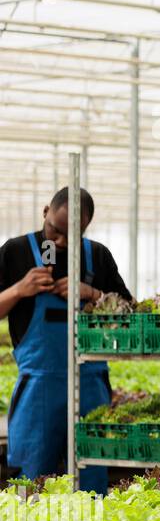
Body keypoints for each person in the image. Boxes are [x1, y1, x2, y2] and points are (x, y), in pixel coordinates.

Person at [0, 187, 131, 494]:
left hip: (90, 386)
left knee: (91, 479)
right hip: (39, 391)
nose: (59, 241)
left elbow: (128, 313)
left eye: (71, 235)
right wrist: (20, 289)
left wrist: (93, 294)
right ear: (46, 211)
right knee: (31, 483)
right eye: (55, 231)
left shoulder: (97, 256)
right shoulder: (15, 252)